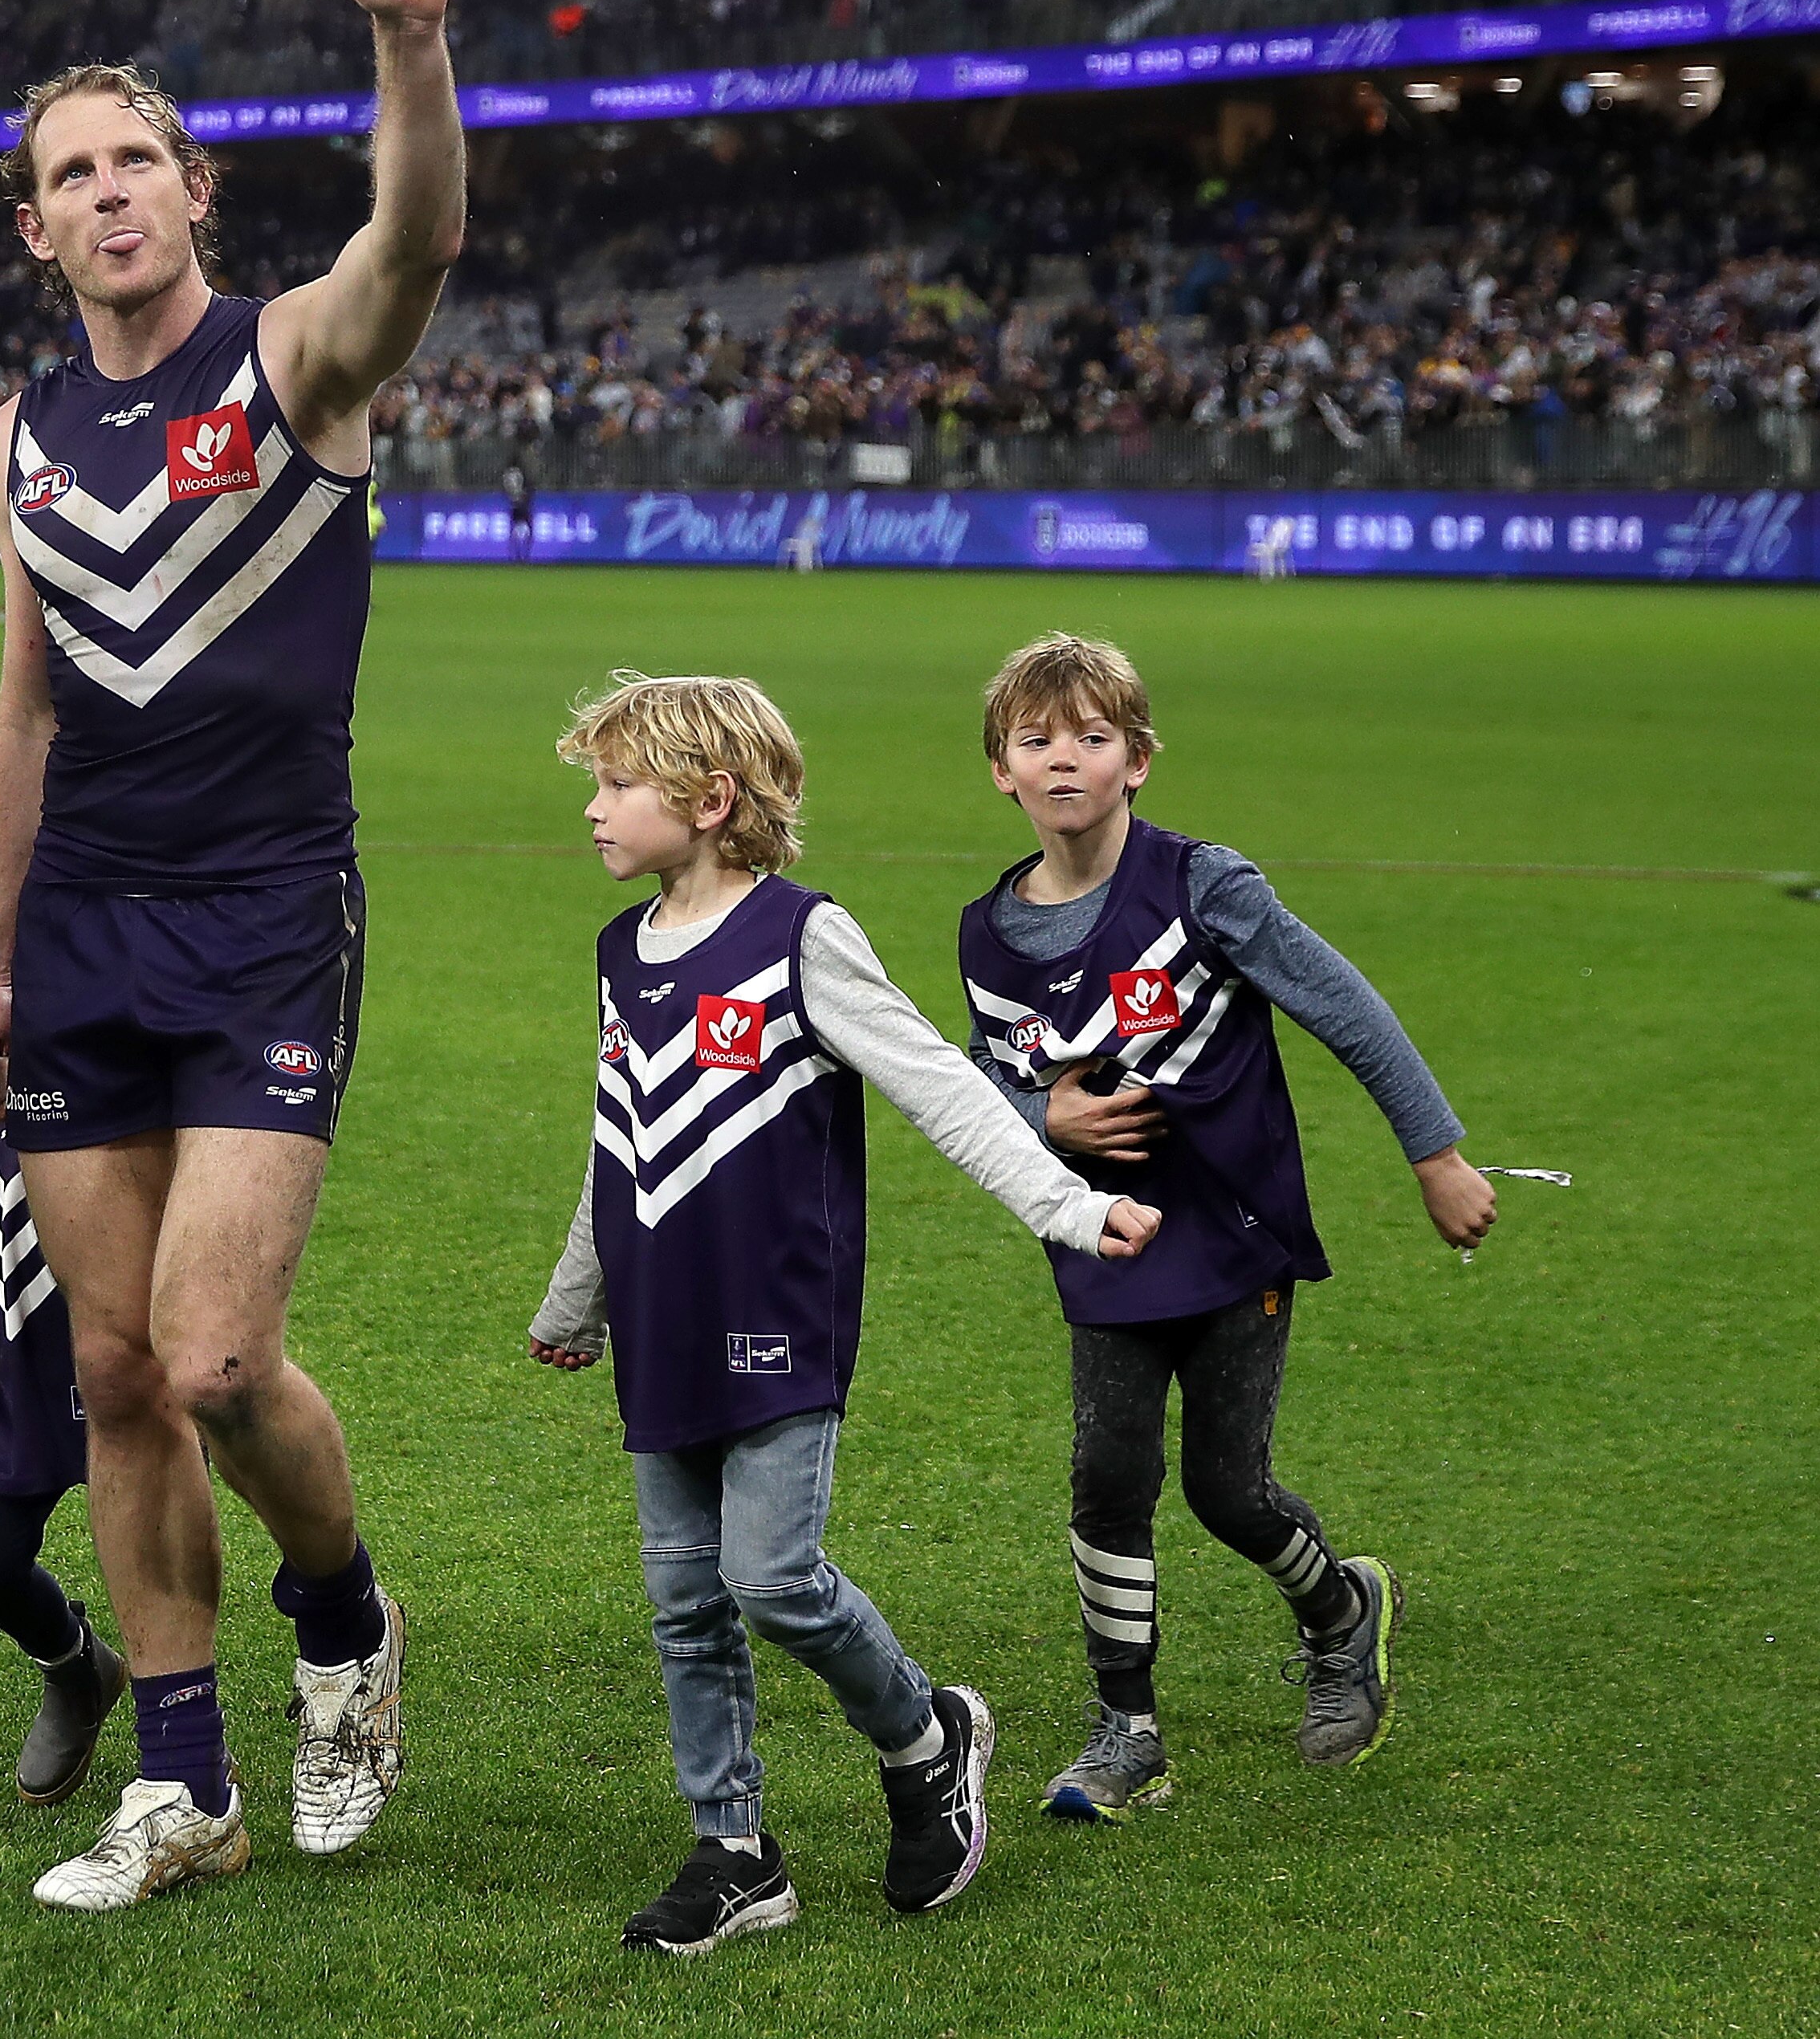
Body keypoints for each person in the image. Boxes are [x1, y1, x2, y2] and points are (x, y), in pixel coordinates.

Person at [0, 0, 474, 1912]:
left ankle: (342, 1623)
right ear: (37, 227)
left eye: (130, 160)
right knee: (100, 1369)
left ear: (191, 191)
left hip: (266, 917)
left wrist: (411, 47)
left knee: (216, 1355)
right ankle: (183, 1781)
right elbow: (23, 710)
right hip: (81, 928)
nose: (104, 193)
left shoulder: (293, 362)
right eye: (66, 172)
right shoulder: (13, 439)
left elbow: (416, 242)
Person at [525, 674, 1159, 1956]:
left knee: (772, 1578)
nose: (593, 811)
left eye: (615, 785)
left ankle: (927, 1733)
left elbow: (944, 1087)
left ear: (710, 800)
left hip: (775, 1321)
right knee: (685, 1602)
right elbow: (620, 1134)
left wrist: (1072, 1205)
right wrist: (576, 1297)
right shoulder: (616, 954)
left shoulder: (800, 939)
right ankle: (735, 1850)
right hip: (657, 1325)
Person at [955, 633, 1496, 1819]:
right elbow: (978, 1081)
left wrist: (1437, 1153)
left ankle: (1342, 1607)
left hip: (1234, 1233)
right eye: (1036, 739)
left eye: (1092, 737)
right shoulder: (986, 935)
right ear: (1000, 767)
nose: (1063, 760)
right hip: (1103, 1237)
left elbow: (1344, 1005)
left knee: (1227, 1489)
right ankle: (1126, 1730)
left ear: (1138, 759)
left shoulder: (1204, 885)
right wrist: (1047, 1113)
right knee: (1108, 1476)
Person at [0, 1126, 128, 1805]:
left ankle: (190, 1740)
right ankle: (76, 1664)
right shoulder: (33, 1054)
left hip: (143, 1354)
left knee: (158, 1557)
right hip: (29, 1369)